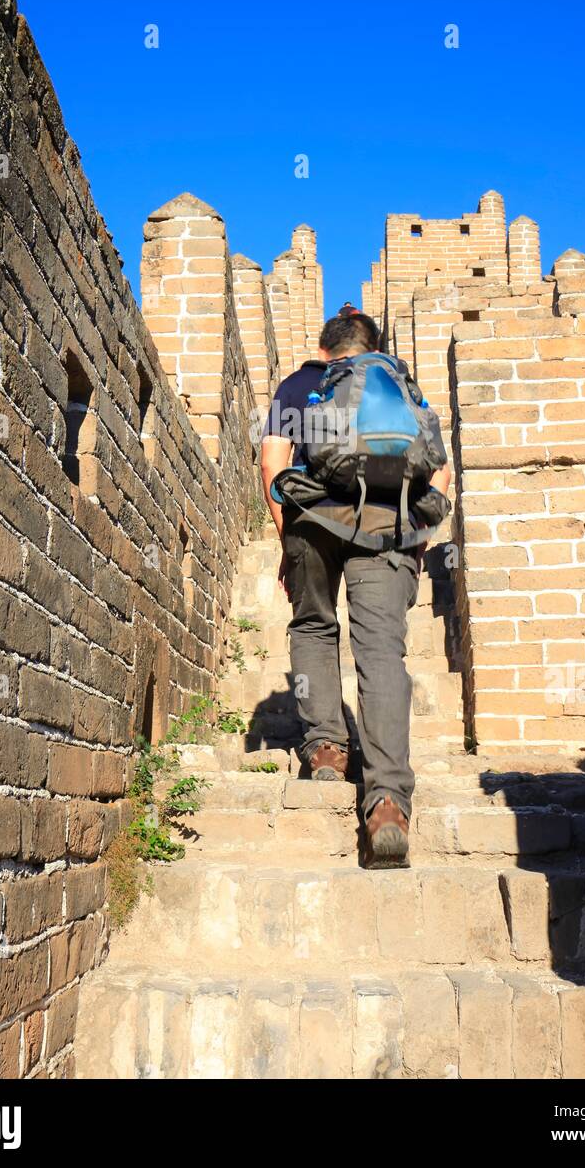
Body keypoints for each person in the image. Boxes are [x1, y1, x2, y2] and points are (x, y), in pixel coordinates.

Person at [260, 311, 450, 867]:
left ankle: (324, 748)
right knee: (382, 654)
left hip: (313, 524)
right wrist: (420, 536)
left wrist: (286, 536)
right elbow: (439, 469)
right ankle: (388, 802)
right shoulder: (400, 384)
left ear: (324, 348)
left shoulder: (300, 385)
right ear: (374, 348)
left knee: (314, 627)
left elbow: (273, 462)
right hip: (387, 526)